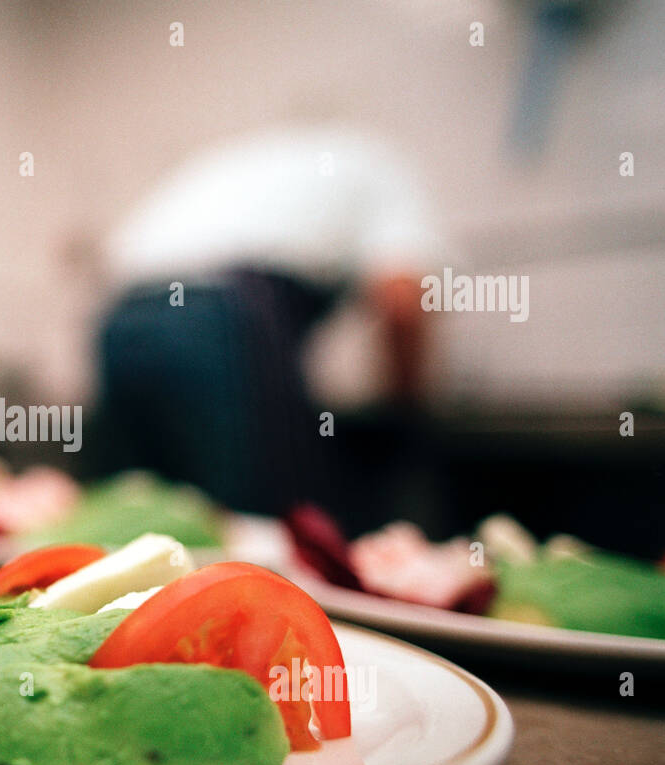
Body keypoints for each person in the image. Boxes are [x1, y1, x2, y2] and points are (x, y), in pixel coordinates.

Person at [95, 125, 447, 514]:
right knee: (260, 524)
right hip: (220, 316)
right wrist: (408, 419)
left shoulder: (235, 162)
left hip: (121, 321)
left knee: (134, 516)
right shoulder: (382, 165)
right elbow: (401, 303)